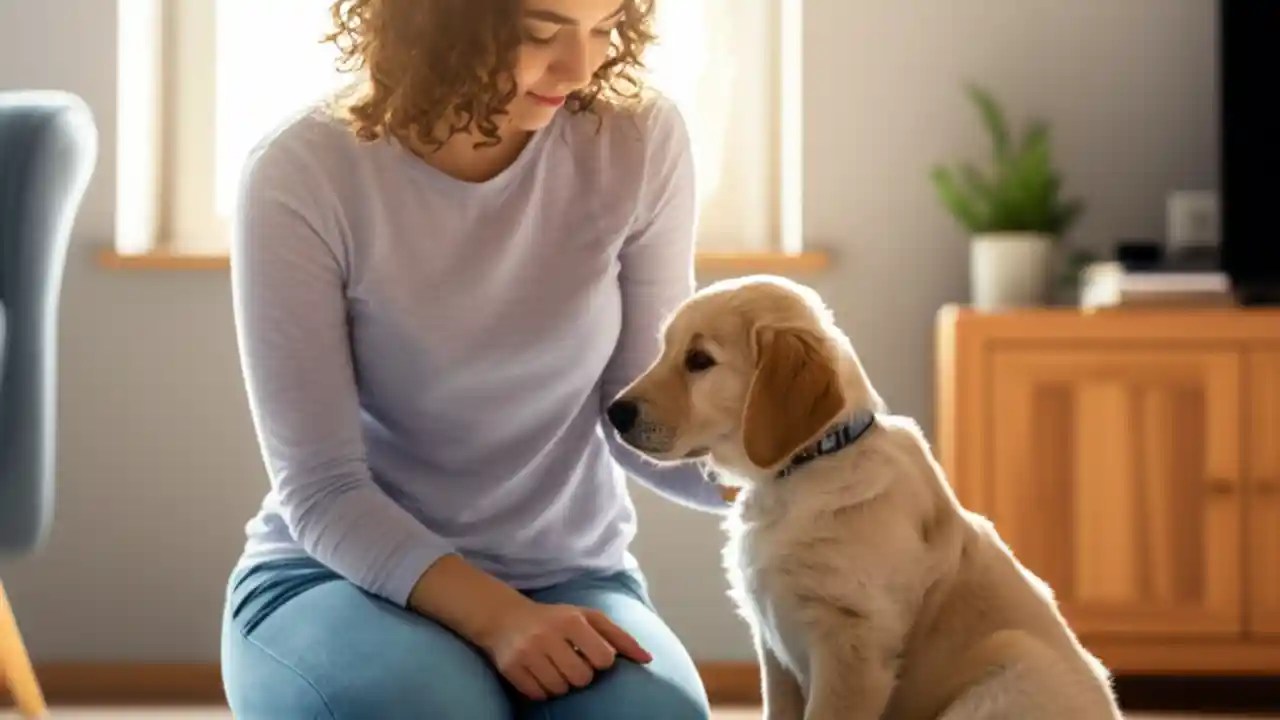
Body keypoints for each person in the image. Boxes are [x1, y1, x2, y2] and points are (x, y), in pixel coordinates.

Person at [218, 0, 730, 718]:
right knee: (432, 708)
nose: (581, 66)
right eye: (541, 32)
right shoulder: (302, 170)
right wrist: (501, 620)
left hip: (568, 577)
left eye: (605, 27)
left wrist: (785, 472)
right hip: (338, 578)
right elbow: (323, 488)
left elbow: (637, 411)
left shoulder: (638, 138)